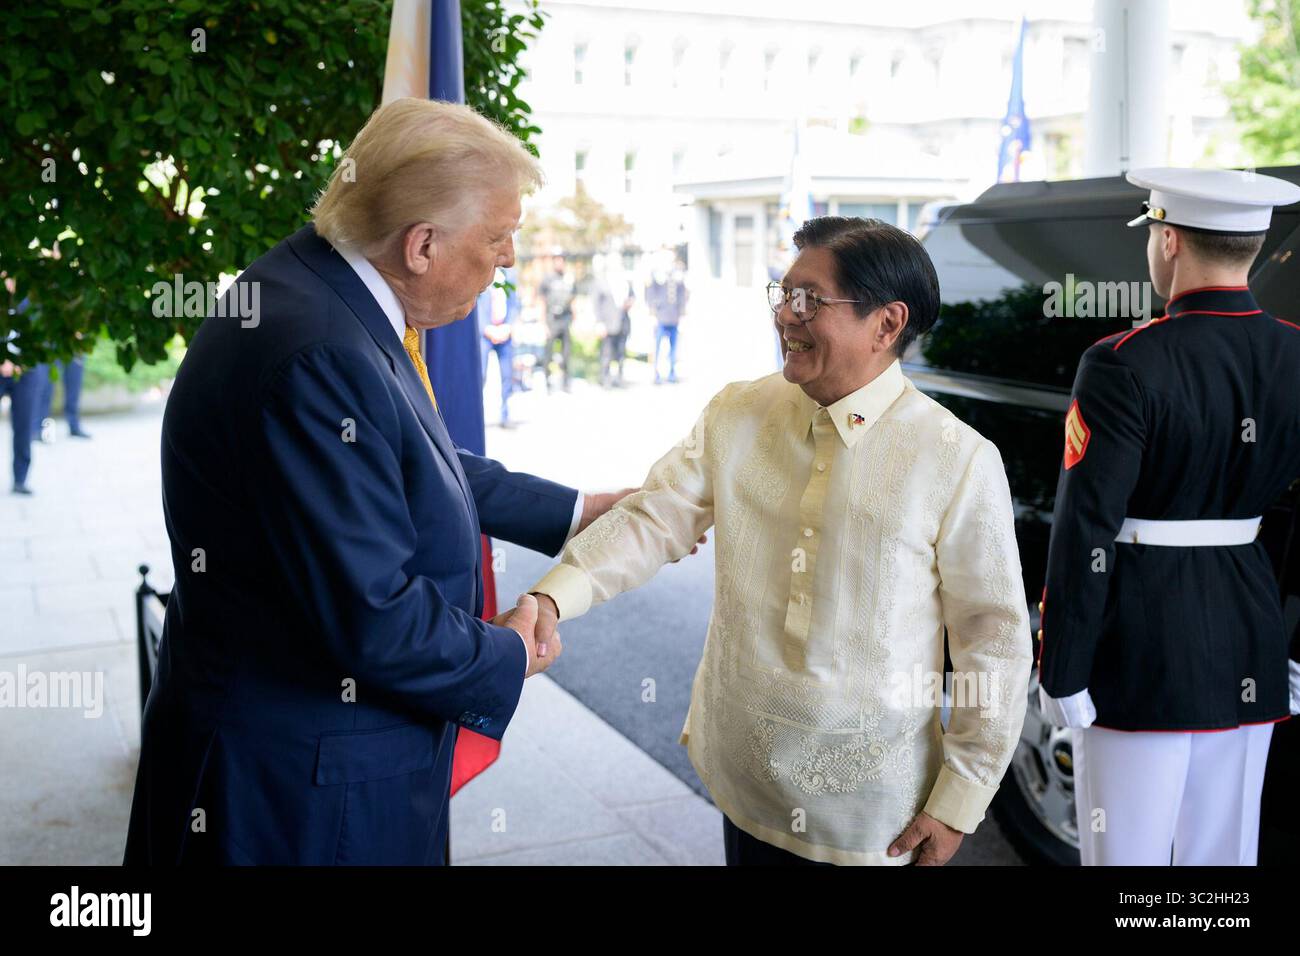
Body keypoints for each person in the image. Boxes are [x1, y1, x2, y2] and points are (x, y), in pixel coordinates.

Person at [124, 98, 633, 866]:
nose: (506, 264)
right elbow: (374, 620)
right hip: (304, 791)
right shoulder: (320, 352)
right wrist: (507, 652)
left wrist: (573, 511)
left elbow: (400, 462)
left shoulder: (315, 289)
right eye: (498, 241)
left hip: (301, 761)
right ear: (422, 243)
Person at [529, 217, 1032, 865]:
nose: (787, 317)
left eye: (811, 300)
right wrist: (550, 600)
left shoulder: (954, 459)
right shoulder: (737, 412)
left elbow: (993, 643)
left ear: (886, 325)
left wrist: (960, 797)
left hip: (871, 816)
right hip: (741, 780)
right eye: (783, 294)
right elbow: (654, 518)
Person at [1038, 167, 1300, 866]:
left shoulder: (1123, 362)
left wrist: (1061, 667)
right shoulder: (1294, 352)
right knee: (1223, 863)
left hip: (1139, 646)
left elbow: (1086, 526)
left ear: (1170, 241)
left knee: (1128, 859)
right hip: (1253, 637)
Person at [477, 267, 514, 427]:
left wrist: (509, 326)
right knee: (481, 375)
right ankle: (477, 416)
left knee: (507, 375)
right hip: (486, 332)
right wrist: (486, 327)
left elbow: (514, 303)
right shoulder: (482, 270)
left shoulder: (510, 276)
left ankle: (505, 415)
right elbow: (476, 304)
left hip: (505, 331)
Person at [646, 258, 687, 383]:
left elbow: (682, 298)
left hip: (674, 319)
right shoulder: (657, 278)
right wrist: (652, 314)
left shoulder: (678, 279)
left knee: (673, 348)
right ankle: (656, 373)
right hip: (660, 318)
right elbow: (650, 295)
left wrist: (682, 316)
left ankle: (672, 372)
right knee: (657, 348)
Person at [592, 259, 631, 388]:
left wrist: (630, 302)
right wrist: (599, 323)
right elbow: (596, 305)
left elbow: (632, 297)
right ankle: (605, 378)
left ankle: (619, 378)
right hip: (607, 324)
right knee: (606, 353)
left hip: (623, 322)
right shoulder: (601, 283)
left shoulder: (625, 283)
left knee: (620, 353)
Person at [35, 354, 91, 441]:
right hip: (51, 345)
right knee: (45, 388)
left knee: (74, 388)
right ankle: (38, 428)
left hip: (75, 347)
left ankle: (74, 426)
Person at [539, 254, 574, 392]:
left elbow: (573, 299)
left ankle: (566, 383)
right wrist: (543, 323)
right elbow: (541, 301)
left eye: (562, 260)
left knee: (566, 354)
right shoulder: (547, 279)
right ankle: (547, 382)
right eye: (557, 260)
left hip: (565, 319)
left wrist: (573, 319)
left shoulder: (568, 279)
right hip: (551, 319)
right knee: (549, 353)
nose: (560, 263)